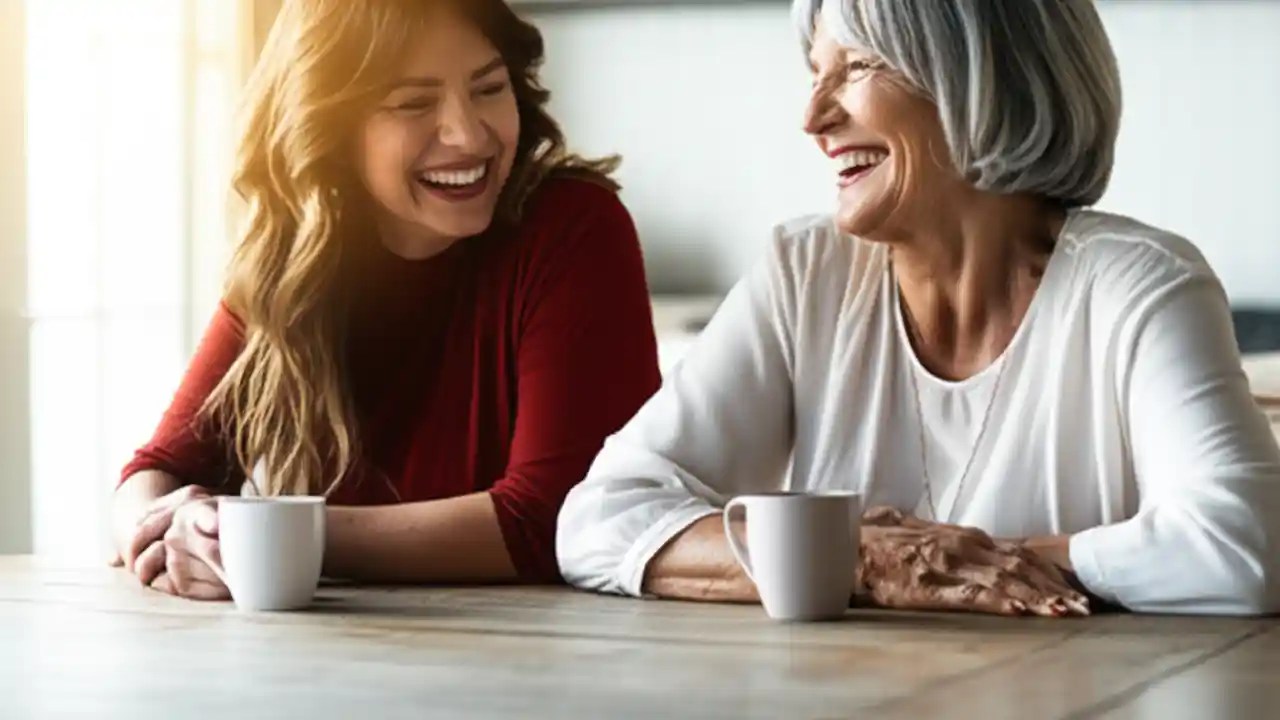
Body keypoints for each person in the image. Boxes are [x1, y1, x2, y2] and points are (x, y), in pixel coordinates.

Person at [557, 0, 1280, 617]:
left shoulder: (1140, 285)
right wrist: (863, 560)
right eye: (815, 73)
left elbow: (1245, 545)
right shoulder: (803, 274)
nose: (814, 117)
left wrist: (959, 563)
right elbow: (599, 519)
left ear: (983, 79)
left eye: (858, 67)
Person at [112, 0, 661, 600]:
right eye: (414, 104)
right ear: (330, 127)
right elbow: (155, 473)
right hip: (346, 649)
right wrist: (173, 528)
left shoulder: (575, 228)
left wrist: (273, 536)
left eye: (489, 88)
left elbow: (556, 518)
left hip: (554, 650)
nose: (467, 134)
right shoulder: (290, 265)